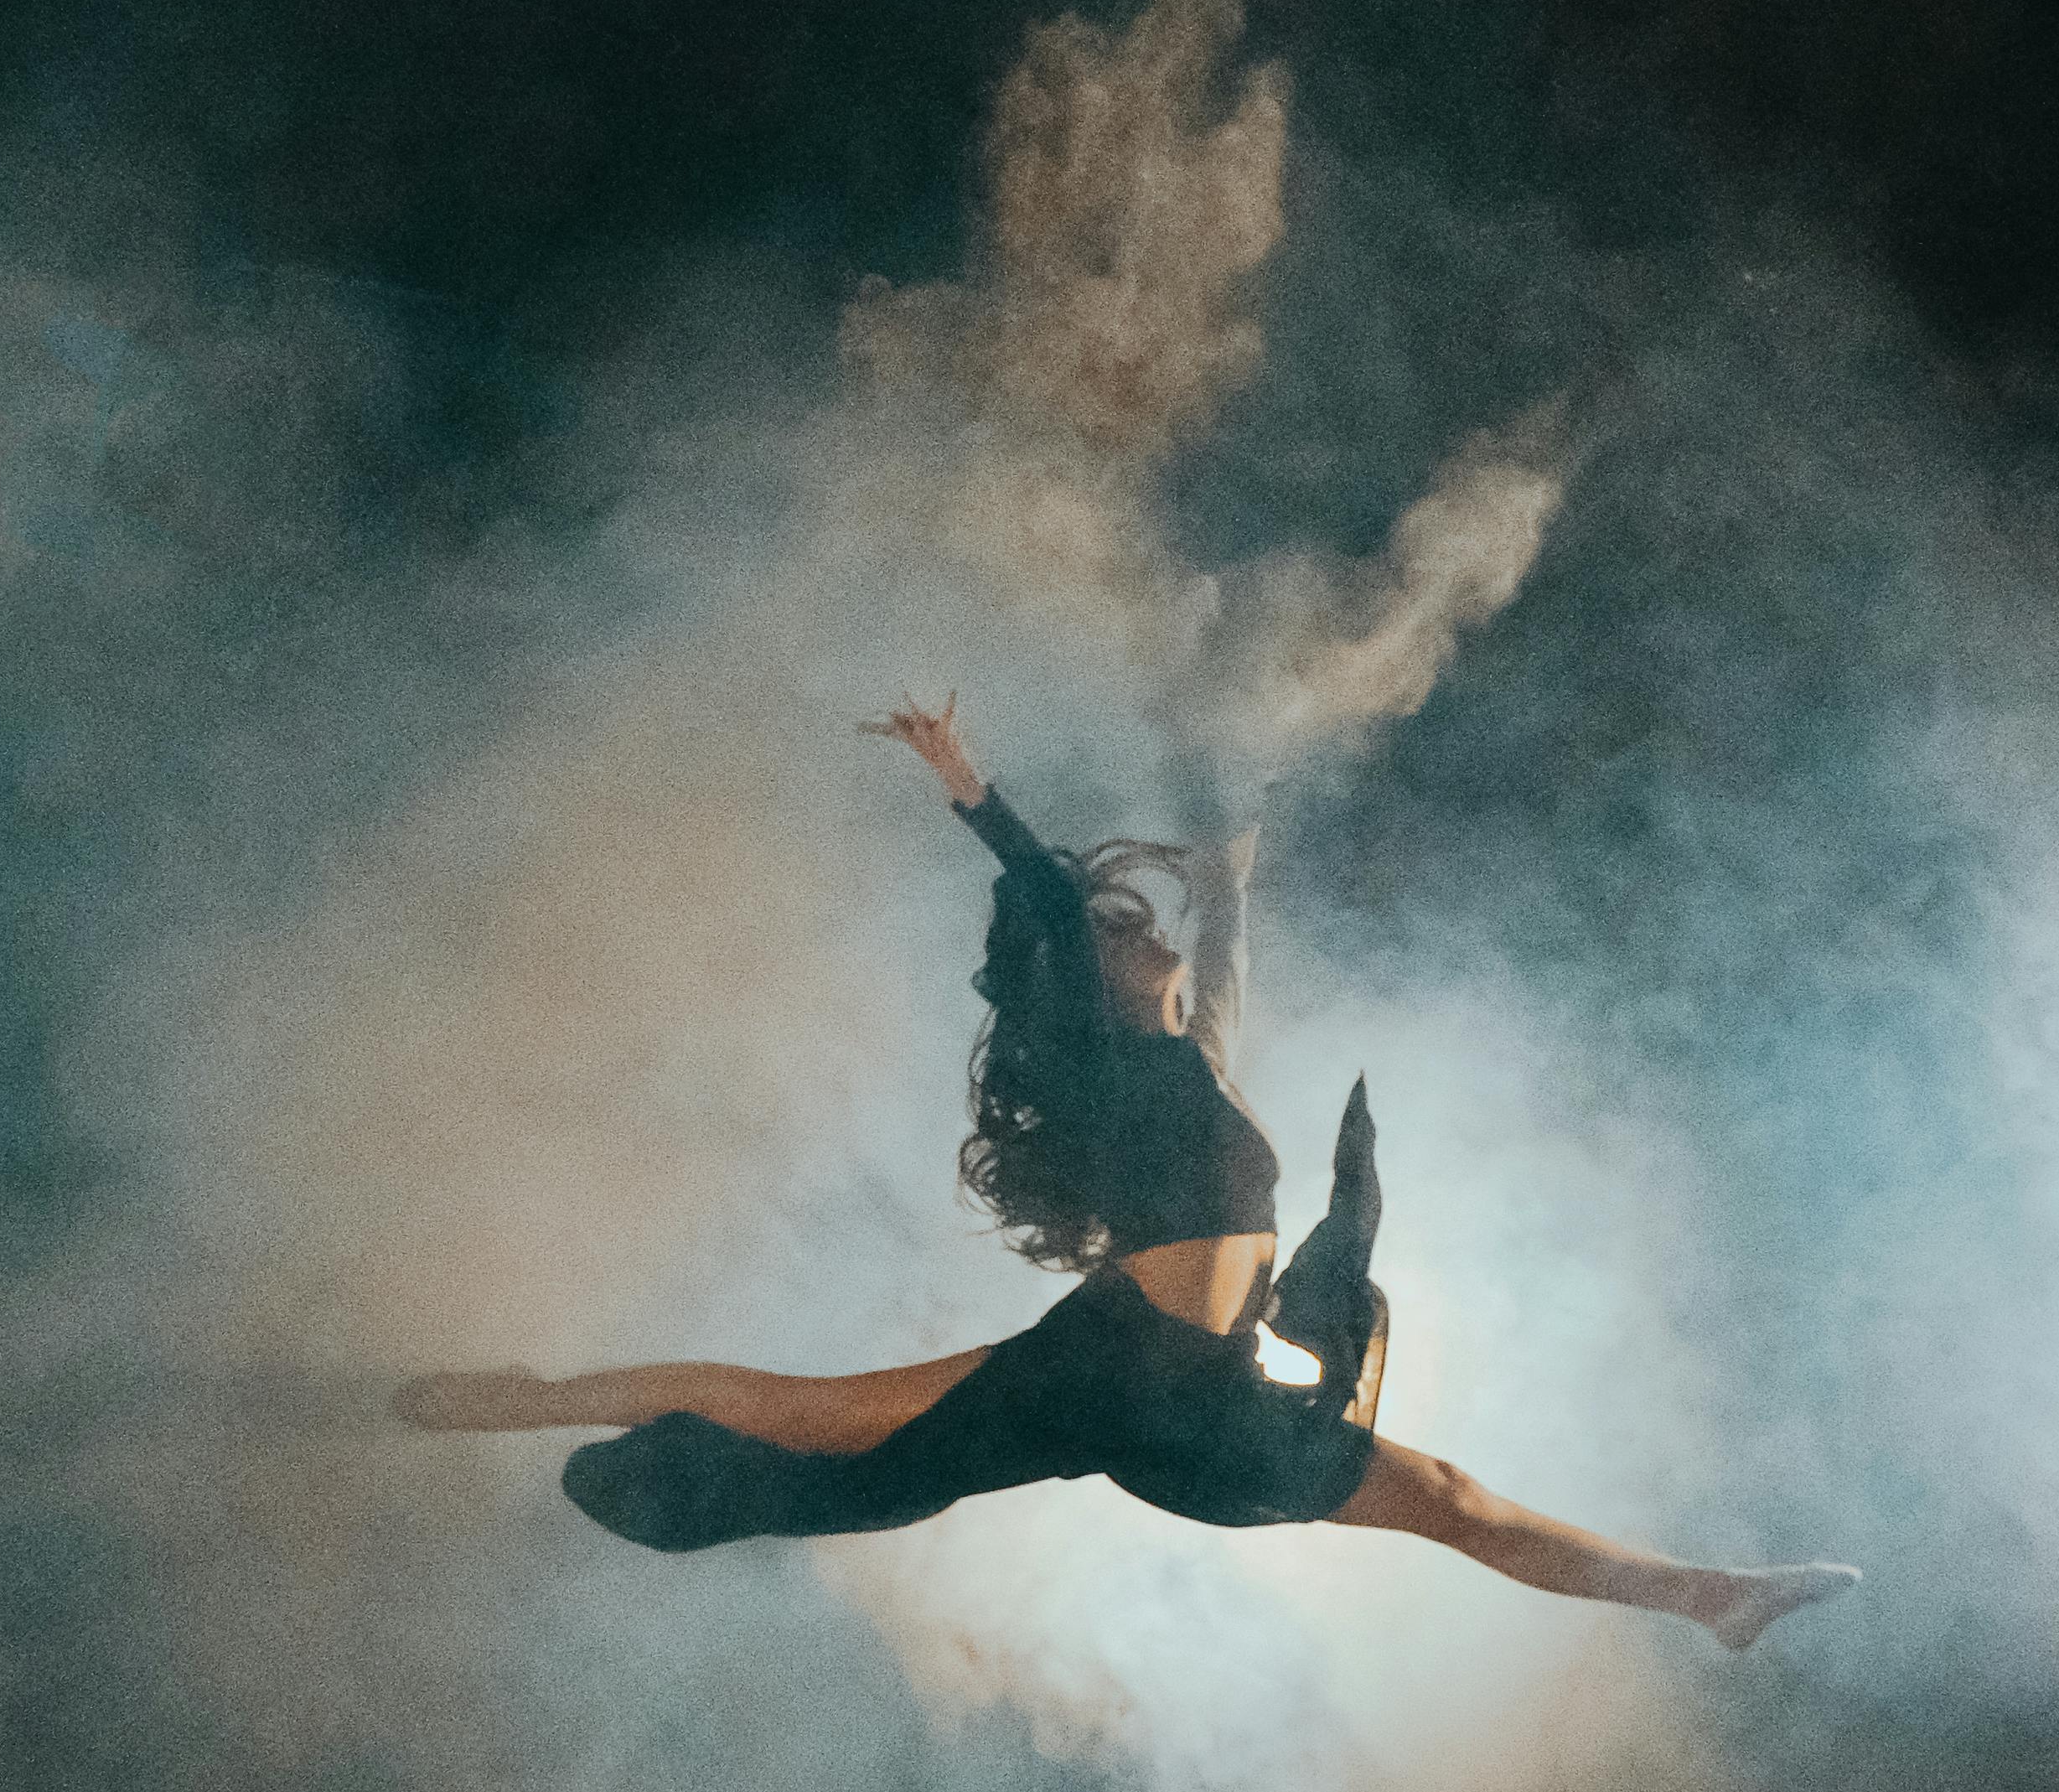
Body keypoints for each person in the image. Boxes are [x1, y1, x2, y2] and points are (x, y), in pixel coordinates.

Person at [395, 699, 1860, 1650]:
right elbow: (1039, 906)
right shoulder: (1094, 1058)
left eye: (1144, 924)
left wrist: (1234, 892)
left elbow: (1223, 993)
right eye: (1123, 928)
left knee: (1457, 1500)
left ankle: (1708, 1597)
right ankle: (527, 1399)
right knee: (808, 1417)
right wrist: (975, 794)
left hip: (1208, 1408)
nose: (1141, 932)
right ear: (1090, 971)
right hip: (1101, 1372)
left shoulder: (1191, 1063)